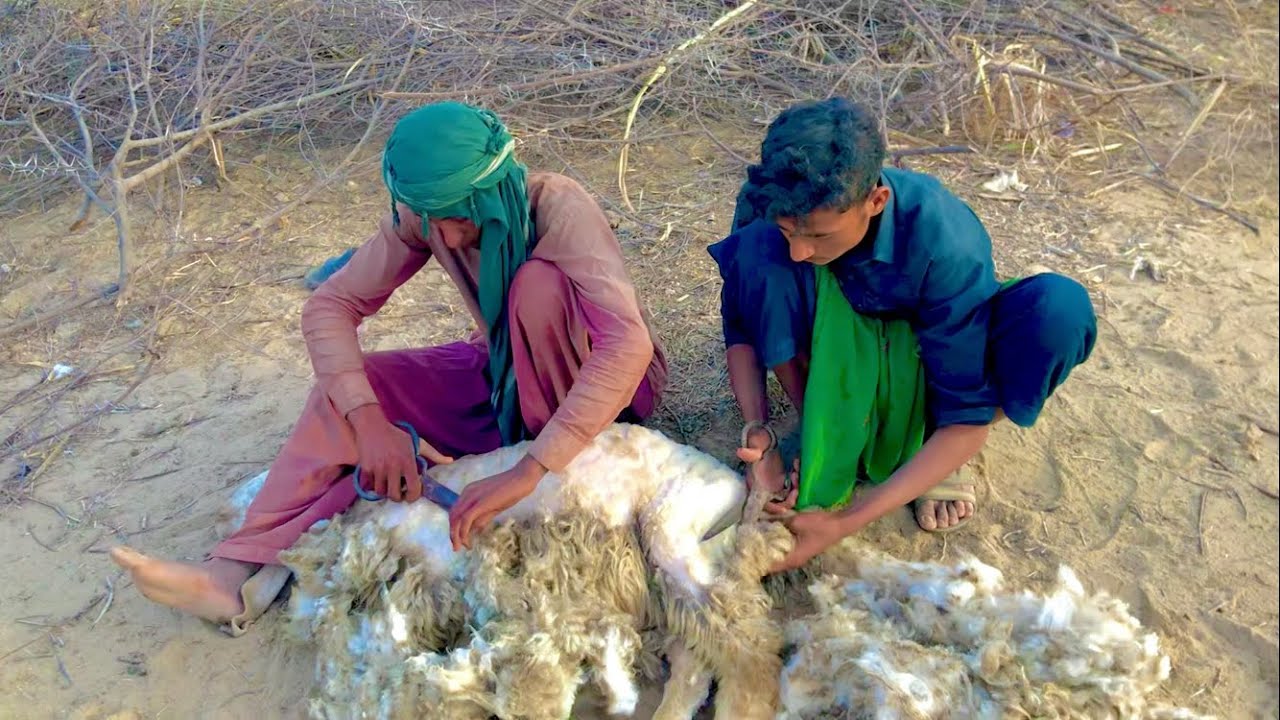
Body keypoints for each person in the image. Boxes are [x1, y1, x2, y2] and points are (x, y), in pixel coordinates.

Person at [110, 102, 668, 634]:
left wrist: (527, 471)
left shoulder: (556, 205)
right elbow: (330, 306)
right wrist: (371, 423)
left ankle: (533, 452)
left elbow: (626, 344)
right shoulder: (423, 216)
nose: (444, 237)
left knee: (536, 289)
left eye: (456, 218)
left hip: (598, 383)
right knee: (359, 386)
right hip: (502, 375)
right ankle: (230, 575)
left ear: (490, 190)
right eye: (431, 221)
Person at [707, 97, 1096, 574]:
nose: (801, 249)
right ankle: (819, 419)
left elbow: (966, 404)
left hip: (919, 354)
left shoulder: (945, 241)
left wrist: (843, 523)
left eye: (820, 235)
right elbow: (741, 320)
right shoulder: (772, 202)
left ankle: (933, 455)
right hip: (835, 349)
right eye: (789, 230)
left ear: (875, 202)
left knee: (1060, 312)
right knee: (757, 253)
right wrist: (759, 432)